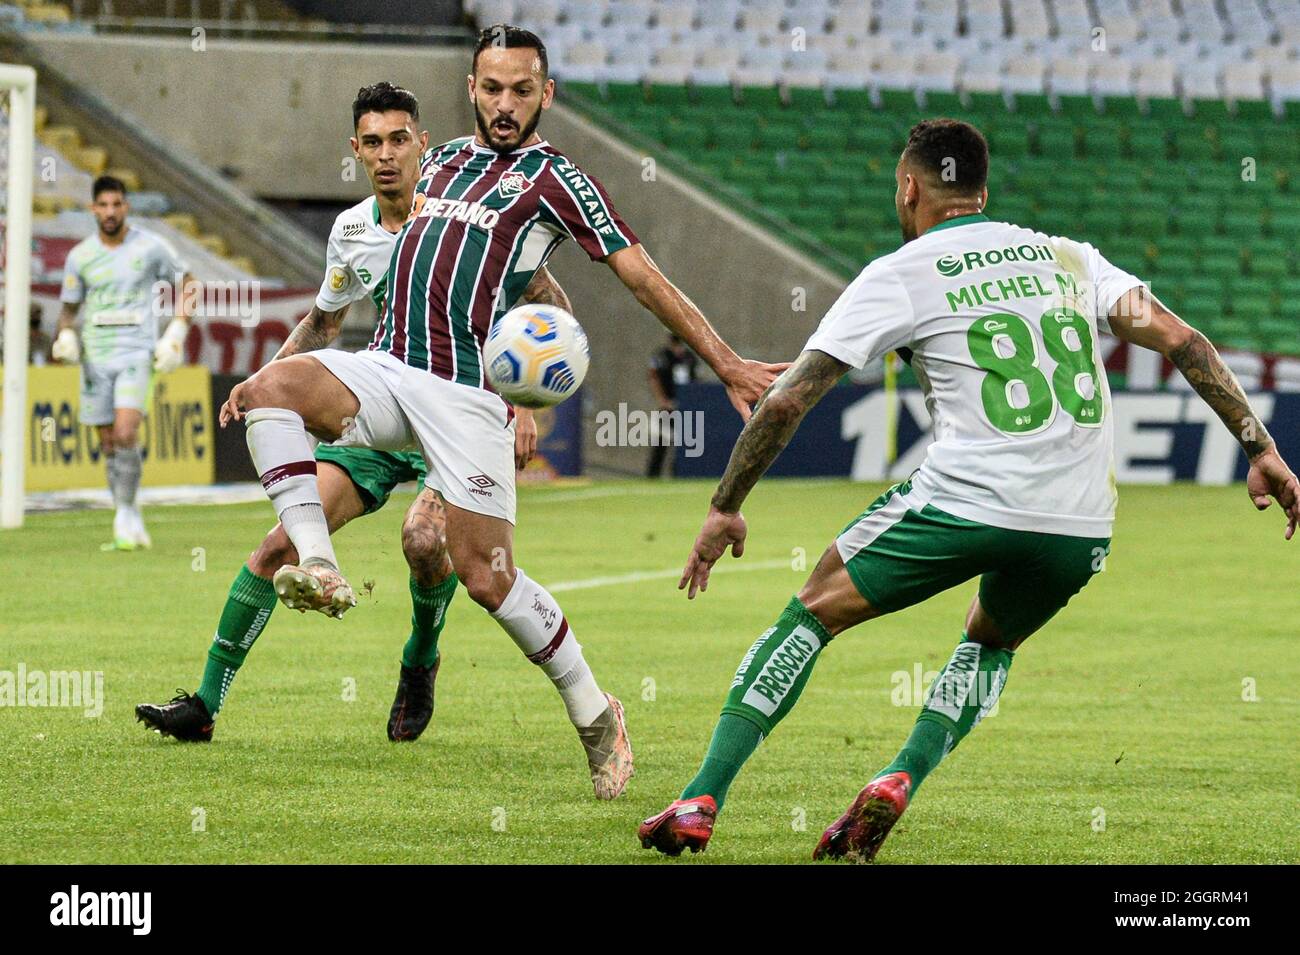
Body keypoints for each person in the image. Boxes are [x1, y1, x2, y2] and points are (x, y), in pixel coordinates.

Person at [639, 118, 1300, 859]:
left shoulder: (904, 270)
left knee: (812, 613)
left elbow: (790, 398)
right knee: (991, 641)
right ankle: (900, 775)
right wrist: (1261, 447)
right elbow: (1185, 341)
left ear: (910, 186)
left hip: (966, 499)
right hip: (1079, 522)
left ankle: (702, 794)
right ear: (982, 190)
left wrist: (726, 504)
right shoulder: (1068, 258)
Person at [219, 25, 787, 801]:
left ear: (546, 94)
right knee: (267, 390)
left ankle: (597, 713)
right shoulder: (442, 159)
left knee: (488, 579)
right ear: (471, 89)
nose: (505, 104)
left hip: (464, 397)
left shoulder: (559, 181)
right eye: (492, 88)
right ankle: (318, 563)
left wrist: (723, 360)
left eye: (523, 90)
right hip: (387, 367)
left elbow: (637, 272)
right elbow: (398, 232)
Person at [135, 82, 564, 746]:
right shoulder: (355, 231)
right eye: (372, 143)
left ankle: (421, 653)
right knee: (282, 544)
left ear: (423, 143)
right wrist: (264, 379)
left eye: (400, 139)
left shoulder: (470, 217)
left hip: (464, 412)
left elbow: (544, 302)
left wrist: (524, 396)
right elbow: (324, 323)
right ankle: (205, 703)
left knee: (425, 542)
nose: (387, 155)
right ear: (355, 151)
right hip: (384, 396)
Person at [53, 175, 197, 550]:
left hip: (136, 351)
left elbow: (190, 285)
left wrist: (175, 334)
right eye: (103, 205)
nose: (110, 212)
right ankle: (125, 511)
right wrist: (65, 335)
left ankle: (127, 514)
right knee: (106, 439)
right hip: (95, 356)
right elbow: (68, 310)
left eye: (117, 204)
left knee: (125, 430)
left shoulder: (151, 248)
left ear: (126, 206)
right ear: (93, 209)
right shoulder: (80, 256)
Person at [646, 333, 698, 477]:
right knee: (662, 441)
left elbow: (695, 381)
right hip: (668, 407)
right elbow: (653, 376)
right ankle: (653, 475)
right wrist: (662, 399)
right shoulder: (662, 356)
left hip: (684, 407)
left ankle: (679, 473)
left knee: (685, 443)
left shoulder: (689, 357)